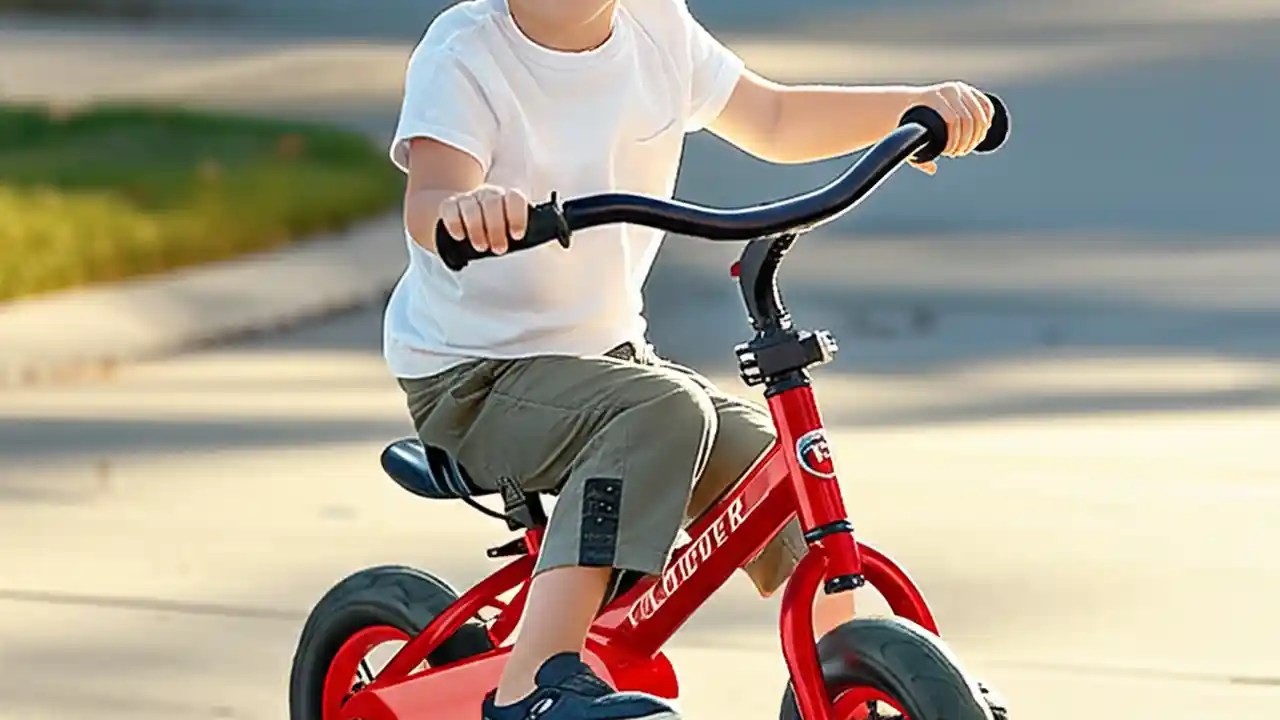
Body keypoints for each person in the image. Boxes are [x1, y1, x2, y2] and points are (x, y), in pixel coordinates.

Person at [386, 1, 995, 719]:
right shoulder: (466, 51)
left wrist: (912, 110)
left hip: (606, 361)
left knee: (768, 468)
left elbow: (772, 118)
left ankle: (850, 679)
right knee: (665, 414)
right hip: (475, 376)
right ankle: (530, 687)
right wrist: (466, 209)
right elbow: (430, 196)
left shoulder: (656, 24)